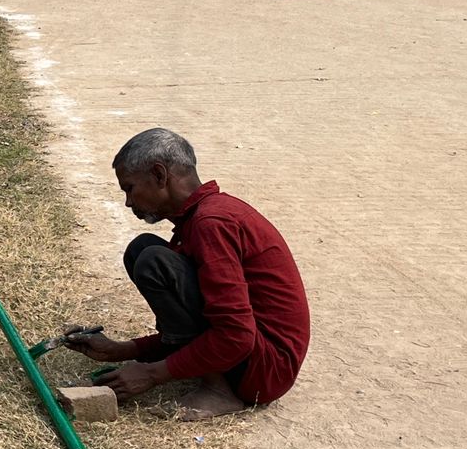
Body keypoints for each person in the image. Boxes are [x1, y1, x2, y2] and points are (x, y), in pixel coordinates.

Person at [63, 129, 309, 420]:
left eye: (129, 188)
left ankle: (218, 390)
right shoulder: (199, 219)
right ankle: (214, 378)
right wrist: (122, 350)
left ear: (159, 175)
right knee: (142, 249)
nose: (129, 202)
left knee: (155, 261)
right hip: (253, 355)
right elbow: (202, 322)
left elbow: (237, 335)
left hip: (265, 371)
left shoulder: (211, 223)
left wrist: (153, 374)